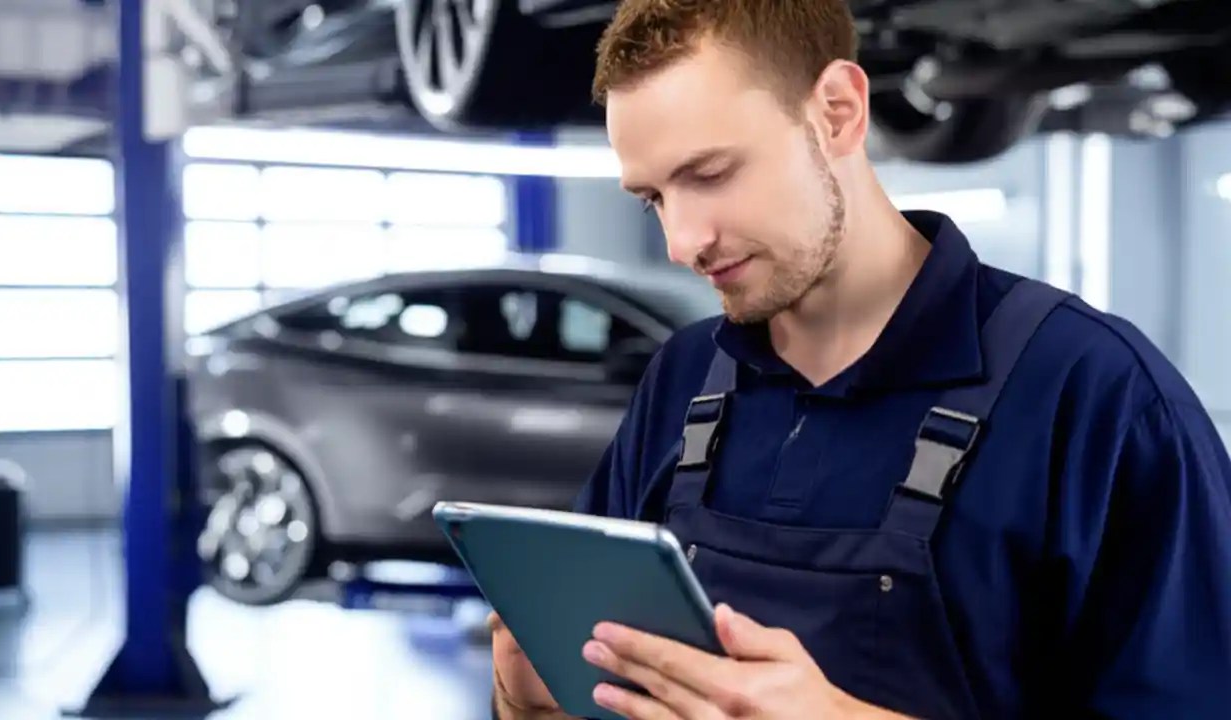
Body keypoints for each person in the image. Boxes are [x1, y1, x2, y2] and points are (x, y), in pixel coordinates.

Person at [490, 1, 1231, 718]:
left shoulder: (1097, 398)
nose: (683, 242)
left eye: (710, 174)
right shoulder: (682, 380)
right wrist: (529, 705)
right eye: (652, 198)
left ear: (838, 111)